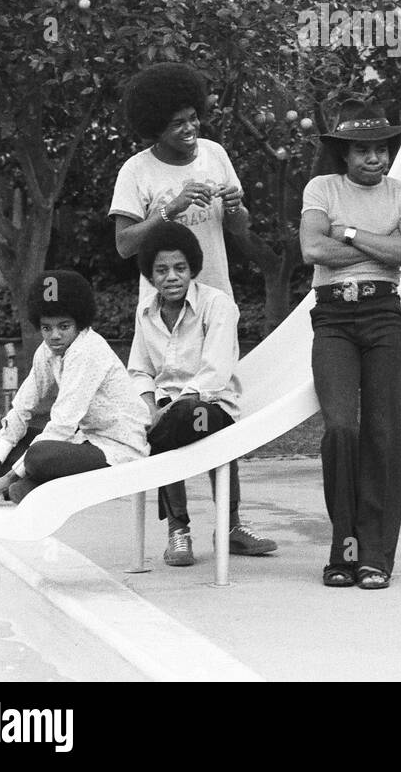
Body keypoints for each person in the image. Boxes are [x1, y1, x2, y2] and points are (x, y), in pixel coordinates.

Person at [109, 61, 276, 557]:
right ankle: (177, 528)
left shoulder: (216, 155)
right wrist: (170, 208)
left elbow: (240, 231)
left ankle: (231, 525)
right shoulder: (136, 171)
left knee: (218, 408)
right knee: (167, 412)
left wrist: (239, 206)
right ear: (155, 127)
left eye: (194, 117)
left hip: (213, 304)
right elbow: (122, 245)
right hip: (161, 312)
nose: (191, 129)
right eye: (178, 123)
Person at [299, 97, 401, 590]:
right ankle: (343, 548)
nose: (374, 158)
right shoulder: (321, 188)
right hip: (332, 319)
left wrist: (348, 233)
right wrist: (378, 244)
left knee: (382, 433)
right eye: (362, 150)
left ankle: (375, 555)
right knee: (341, 429)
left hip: (381, 317)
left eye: (381, 149)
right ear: (344, 154)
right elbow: (312, 249)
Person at [0, 270, 149, 505]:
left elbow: (62, 425)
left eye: (63, 326)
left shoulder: (88, 351)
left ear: (79, 323)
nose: (54, 336)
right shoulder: (47, 350)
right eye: (46, 328)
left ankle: (24, 484)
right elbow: (22, 408)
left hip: (118, 448)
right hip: (82, 441)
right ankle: (27, 485)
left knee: (39, 455)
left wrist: (6, 477)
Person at [128, 221, 246, 568]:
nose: (172, 277)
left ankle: (218, 528)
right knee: (153, 422)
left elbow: (214, 372)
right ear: (150, 275)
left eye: (180, 268)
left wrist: (167, 412)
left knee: (171, 423)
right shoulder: (146, 311)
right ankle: (180, 532)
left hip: (213, 404)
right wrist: (150, 406)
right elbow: (139, 369)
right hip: (165, 408)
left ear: (192, 268)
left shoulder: (217, 305)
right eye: (161, 270)